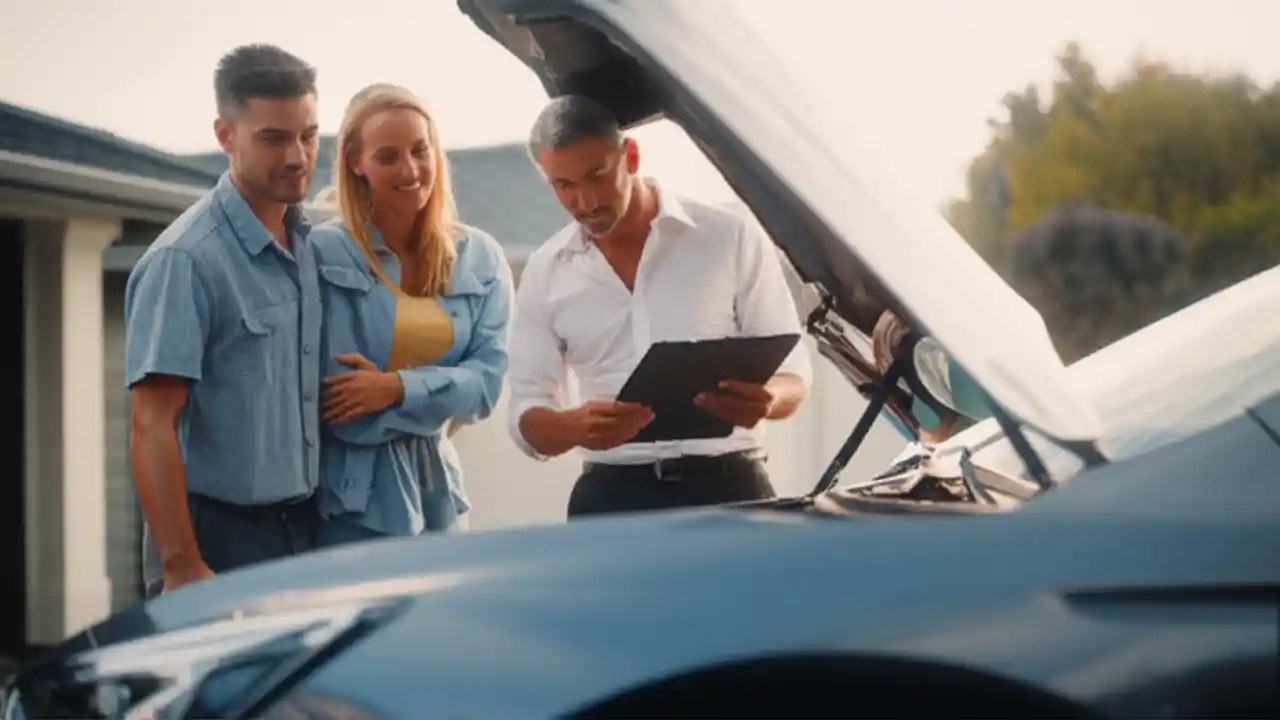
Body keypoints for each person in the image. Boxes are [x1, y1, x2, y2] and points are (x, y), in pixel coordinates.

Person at [507, 95, 813, 517]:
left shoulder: (728, 234)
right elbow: (526, 417)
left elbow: (794, 377)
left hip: (731, 486)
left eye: (596, 175)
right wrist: (573, 427)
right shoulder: (545, 271)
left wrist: (768, 399)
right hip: (610, 497)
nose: (585, 201)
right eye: (565, 186)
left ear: (629, 156)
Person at [124, 44, 322, 597]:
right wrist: (181, 564)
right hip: (219, 539)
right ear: (225, 135)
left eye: (307, 135)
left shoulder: (308, 243)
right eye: (274, 138)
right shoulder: (185, 262)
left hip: (304, 529)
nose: (298, 156)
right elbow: (151, 425)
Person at [309, 83, 513, 545]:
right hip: (351, 502)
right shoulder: (323, 252)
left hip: (440, 493)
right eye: (388, 157)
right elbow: (342, 405)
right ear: (354, 163)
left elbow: (485, 389)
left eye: (421, 150)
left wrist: (394, 388)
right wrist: (439, 394)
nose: (411, 170)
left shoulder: (480, 255)